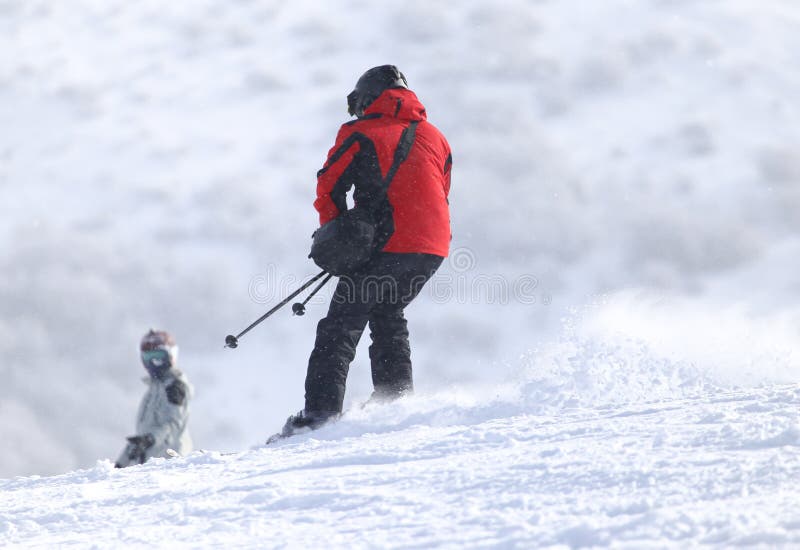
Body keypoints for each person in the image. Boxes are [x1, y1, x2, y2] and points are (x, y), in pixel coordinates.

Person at [277, 65, 452, 437]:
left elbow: (328, 185)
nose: (356, 112)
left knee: (340, 327)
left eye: (357, 105)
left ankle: (318, 417)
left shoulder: (360, 132)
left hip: (387, 244)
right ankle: (395, 402)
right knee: (388, 313)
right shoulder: (436, 137)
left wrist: (339, 236)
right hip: (433, 247)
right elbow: (440, 189)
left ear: (369, 99)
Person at [115, 329, 193, 467]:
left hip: (172, 461)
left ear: (171, 355)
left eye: (159, 356)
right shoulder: (154, 389)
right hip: (152, 462)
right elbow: (143, 434)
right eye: (148, 358)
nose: (154, 362)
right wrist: (121, 464)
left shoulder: (175, 387)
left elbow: (173, 425)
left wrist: (150, 439)